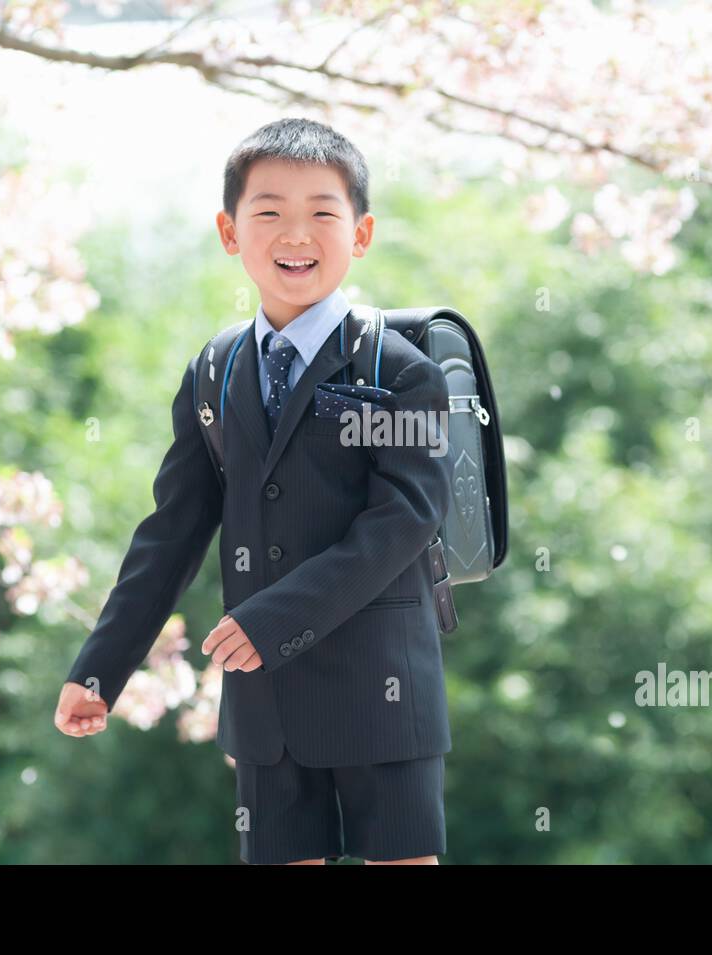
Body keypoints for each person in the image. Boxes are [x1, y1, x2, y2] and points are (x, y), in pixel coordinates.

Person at [54, 117, 455, 865]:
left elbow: (401, 524)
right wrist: (100, 667)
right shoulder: (214, 371)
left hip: (383, 688)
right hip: (264, 702)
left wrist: (272, 619)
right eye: (268, 211)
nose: (294, 233)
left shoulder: (399, 371)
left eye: (322, 213)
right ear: (229, 232)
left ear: (360, 233)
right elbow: (171, 533)